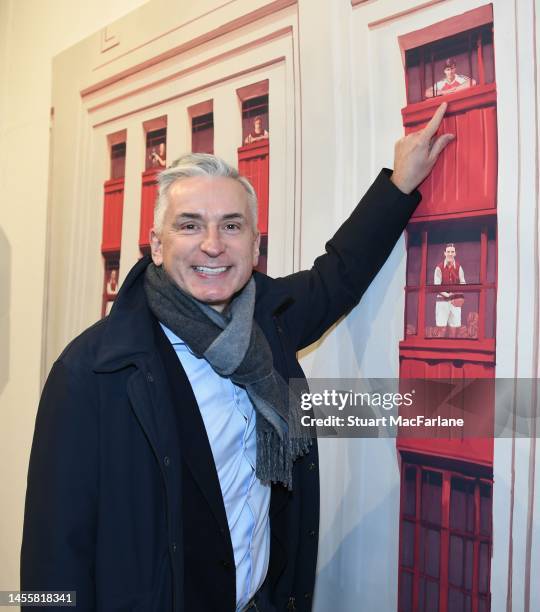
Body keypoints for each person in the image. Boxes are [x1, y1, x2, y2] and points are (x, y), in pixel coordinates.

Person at [21, 103, 454, 611]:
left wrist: (398, 186)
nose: (212, 245)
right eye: (189, 226)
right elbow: (51, 566)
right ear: (156, 247)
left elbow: (335, 279)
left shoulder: (269, 321)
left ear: (254, 247)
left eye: (231, 226)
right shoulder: (92, 372)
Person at [434, 243, 466, 338]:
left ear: (455, 253)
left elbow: (463, 282)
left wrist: (457, 295)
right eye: (448, 252)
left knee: (454, 329)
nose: (450, 254)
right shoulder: (439, 268)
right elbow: (437, 286)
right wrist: (448, 295)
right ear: (444, 253)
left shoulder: (459, 267)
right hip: (442, 300)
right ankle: (439, 350)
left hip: (455, 300)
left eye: (452, 252)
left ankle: (451, 351)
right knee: (441, 328)